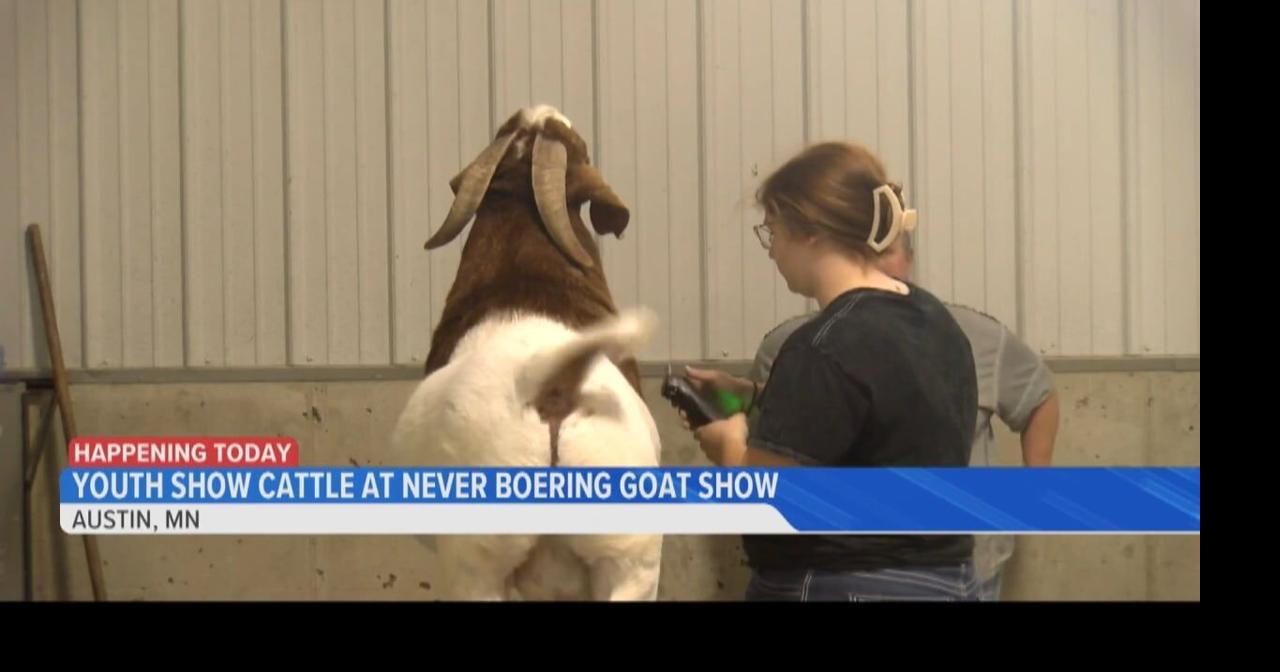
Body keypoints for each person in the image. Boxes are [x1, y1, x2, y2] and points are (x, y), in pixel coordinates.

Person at [681, 141, 980, 601]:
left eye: (773, 231)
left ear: (810, 233)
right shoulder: (933, 320)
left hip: (840, 582)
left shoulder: (823, 346)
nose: (771, 251)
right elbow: (879, 425)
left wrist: (727, 443)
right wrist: (755, 398)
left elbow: (765, 496)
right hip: (946, 580)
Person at [724, 229, 1060, 601]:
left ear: (910, 261)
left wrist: (1034, 488)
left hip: (952, 558)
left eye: (889, 252)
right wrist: (749, 399)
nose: (878, 265)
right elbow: (784, 443)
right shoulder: (798, 344)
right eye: (868, 254)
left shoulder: (962, 332)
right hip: (860, 562)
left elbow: (1039, 393)